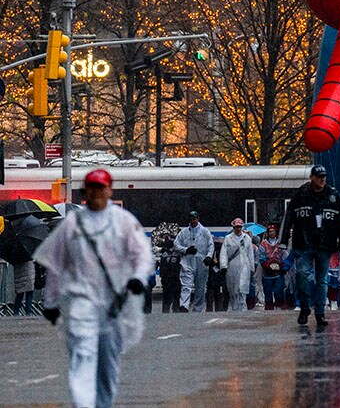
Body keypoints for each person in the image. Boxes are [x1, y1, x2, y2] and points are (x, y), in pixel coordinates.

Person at [35, 168, 153, 408]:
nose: (96, 193)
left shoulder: (123, 221)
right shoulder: (72, 224)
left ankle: (103, 404)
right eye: (92, 188)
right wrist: (51, 301)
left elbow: (141, 254)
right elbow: (56, 265)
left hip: (113, 303)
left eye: (101, 188)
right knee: (83, 357)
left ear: (109, 190)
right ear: (85, 191)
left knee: (107, 364)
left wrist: (138, 278)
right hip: (80, 302)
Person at [280, 164, 340, 329]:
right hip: (304, 243)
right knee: (302, 275)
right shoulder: (300, 194)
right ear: (311, 178)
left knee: (322, 280)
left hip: (325, 243)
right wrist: (283, 240)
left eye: (324, 176)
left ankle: (320, 313)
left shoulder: (333, 195)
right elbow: (289, 217)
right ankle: (304, 307)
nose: (322, 179)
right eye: (318, 177)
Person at [173, 210, 214, 313]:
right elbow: (176, 245)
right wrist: (186, 250)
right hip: (187, 262)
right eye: (191, 219)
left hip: (201, 262)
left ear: (198, 219)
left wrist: (209, 256)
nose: (193, 221)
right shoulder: (184, 232)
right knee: (186, 285)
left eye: (194, 219)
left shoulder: (205, 232)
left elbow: (210, 245)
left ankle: (197, 309)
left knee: (201, 287)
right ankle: (184, 306)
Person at [220, 218, 255, 311]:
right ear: (233, 227)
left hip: (244, 265)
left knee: (242, 287)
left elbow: (250, 253)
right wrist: (223, 265)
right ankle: (235, 308)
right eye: (236, 227)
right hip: (232, 266)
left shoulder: (247, 238)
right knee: (233, 289)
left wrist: (252, 268)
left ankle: (243, 307)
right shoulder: (228, 238)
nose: (238, 229)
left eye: (239, 227)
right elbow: (224, 253)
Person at [257, 223, 290, 310]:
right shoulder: (263, 244)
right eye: (270, 231)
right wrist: (268, 265)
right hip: (267, 272)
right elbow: (261, 257)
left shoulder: (280, 243)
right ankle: (269, 310)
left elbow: (284, 255)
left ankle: (280, 309)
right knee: (268, 294)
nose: (271, 233)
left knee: (279, 292)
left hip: (279, 272)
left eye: (273, 231)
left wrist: (281, 266)